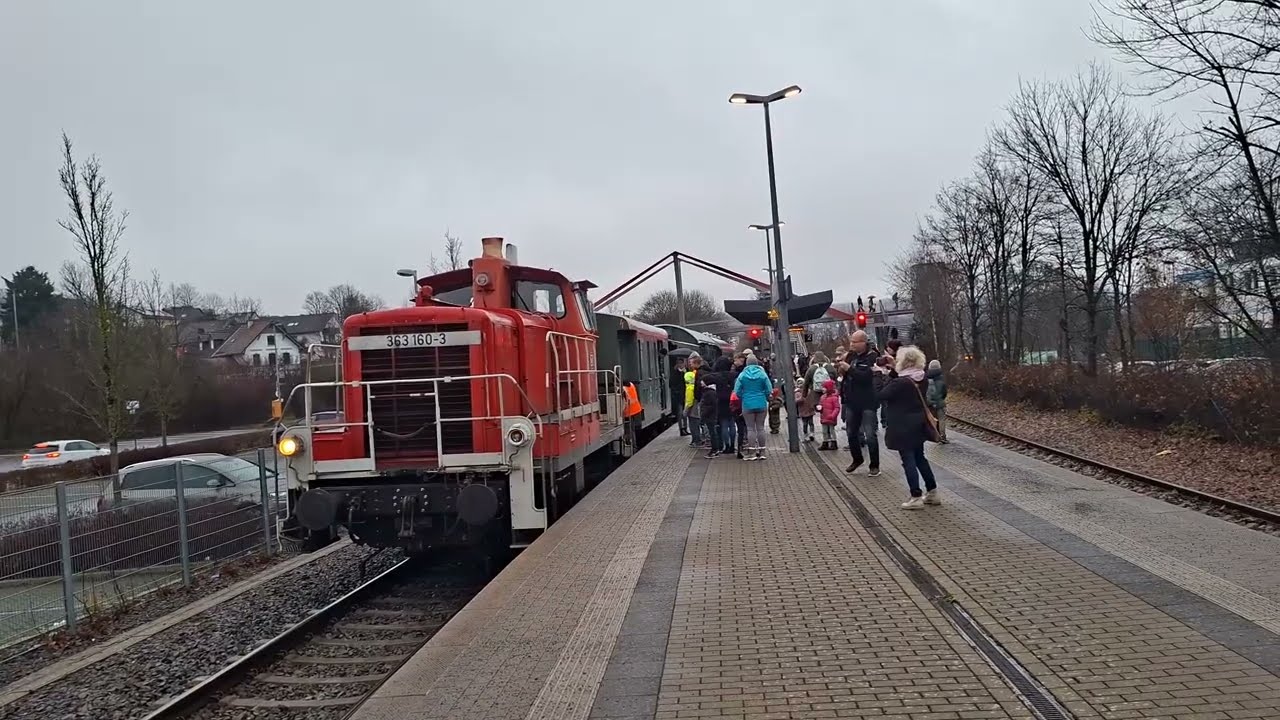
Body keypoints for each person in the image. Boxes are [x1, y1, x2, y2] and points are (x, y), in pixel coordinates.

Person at [879, 346, 940, 510]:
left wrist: (886, 374)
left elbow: (882, 394)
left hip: (902, 426)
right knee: (920, 457)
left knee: (908, 460)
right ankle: (932, 491)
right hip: (918, 423)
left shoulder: (900, 382)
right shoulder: (922, 377)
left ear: (903, 362)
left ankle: (916, 496)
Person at [840, 330, 881, 476]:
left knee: (870, 435)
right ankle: (857, 459)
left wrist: (849, 369)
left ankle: (874, 465)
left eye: (855, 342)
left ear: (864, 342)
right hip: (852, 401)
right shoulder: (851, 356)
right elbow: (845, 377)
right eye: (851, 341)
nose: (852, 344)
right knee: (851, 433)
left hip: (867, 401)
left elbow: (865, 378)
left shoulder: (872, 357)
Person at [733, 355, 773, 460]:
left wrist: (744, 396)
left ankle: (752, 453)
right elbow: (769, 390)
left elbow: (737, 391)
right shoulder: (762, 374)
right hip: (761, 403)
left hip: (747, 404)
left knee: (750, 428)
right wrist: (763, 395)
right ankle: (763, 452)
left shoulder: (742, 375)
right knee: (760, 428)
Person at [712, 356, 737, 458]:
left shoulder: (716, 376)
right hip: (732, 401)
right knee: (732, 424)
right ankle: (732, 445)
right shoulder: (734, 375)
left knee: (724, 425)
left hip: (721, 402)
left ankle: (726, 446)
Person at [698, 360, 721, 458]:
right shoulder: (711, 392)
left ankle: (714, 450)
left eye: (702, 382)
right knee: (712, 433)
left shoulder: (709, 393)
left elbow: (708, 406)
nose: (701, 383)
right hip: (711, 416)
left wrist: (702, 418)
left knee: (712, 433)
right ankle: (715, 449)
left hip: (710, 417)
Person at [926, 359, 949, 443]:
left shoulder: (926, 378)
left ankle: (935, 436)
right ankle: (942, 436)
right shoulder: (941, 379)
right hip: (940, 403)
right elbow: (944, 392)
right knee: (942, 419)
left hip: (930, 404)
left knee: (933, 420)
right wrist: (941, 399)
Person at [818, 379, 841, 450]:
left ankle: (833, 442)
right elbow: (821, 405)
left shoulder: (834, 398)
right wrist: (819, 408)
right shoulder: (822, 397)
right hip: (824, 417)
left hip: (830, 417)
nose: (822, 389)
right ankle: (825, 442)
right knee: (824, 431)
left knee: (831, 430)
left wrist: (833, 415)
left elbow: (837, 408)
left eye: (824, 387)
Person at [670, 357, 688, 436]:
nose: (680, 365)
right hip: (678, 396)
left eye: (682, 363)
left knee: (685, 413)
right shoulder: (674, 372)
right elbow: (671, 384)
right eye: (679, 363)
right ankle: (681, 429)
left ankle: (685, 428)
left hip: (686, 395)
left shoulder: (687, 372)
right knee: (680, 413)